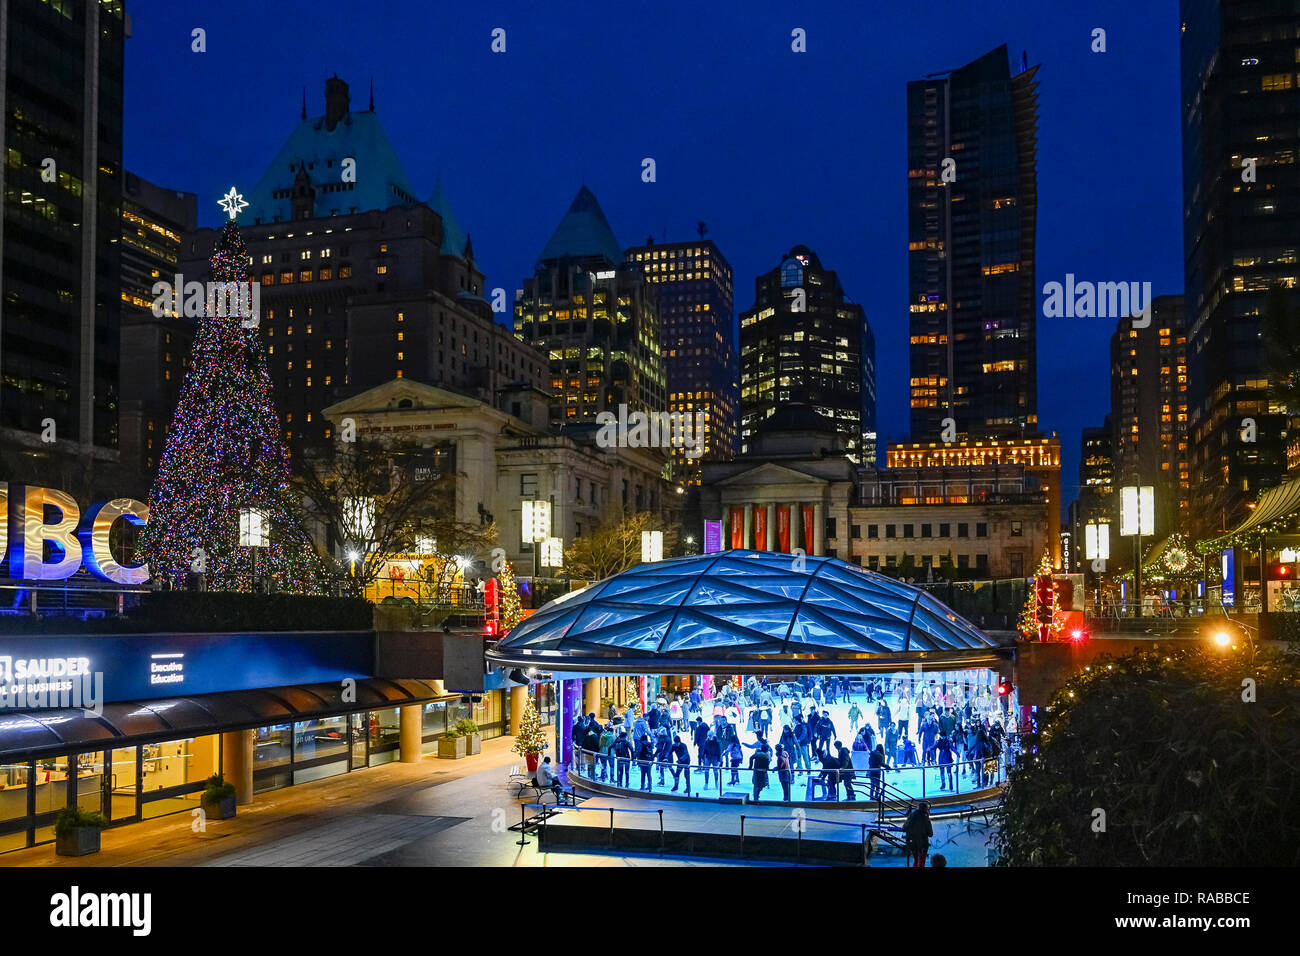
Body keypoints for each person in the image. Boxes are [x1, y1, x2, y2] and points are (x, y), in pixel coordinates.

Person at [903, 801, 933, 867]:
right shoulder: (925, 818)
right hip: (922, 844)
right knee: (922, 862)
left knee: (916, 860)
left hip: (911, 843)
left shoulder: (911, 816)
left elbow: (904, 828)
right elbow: (930, 834)